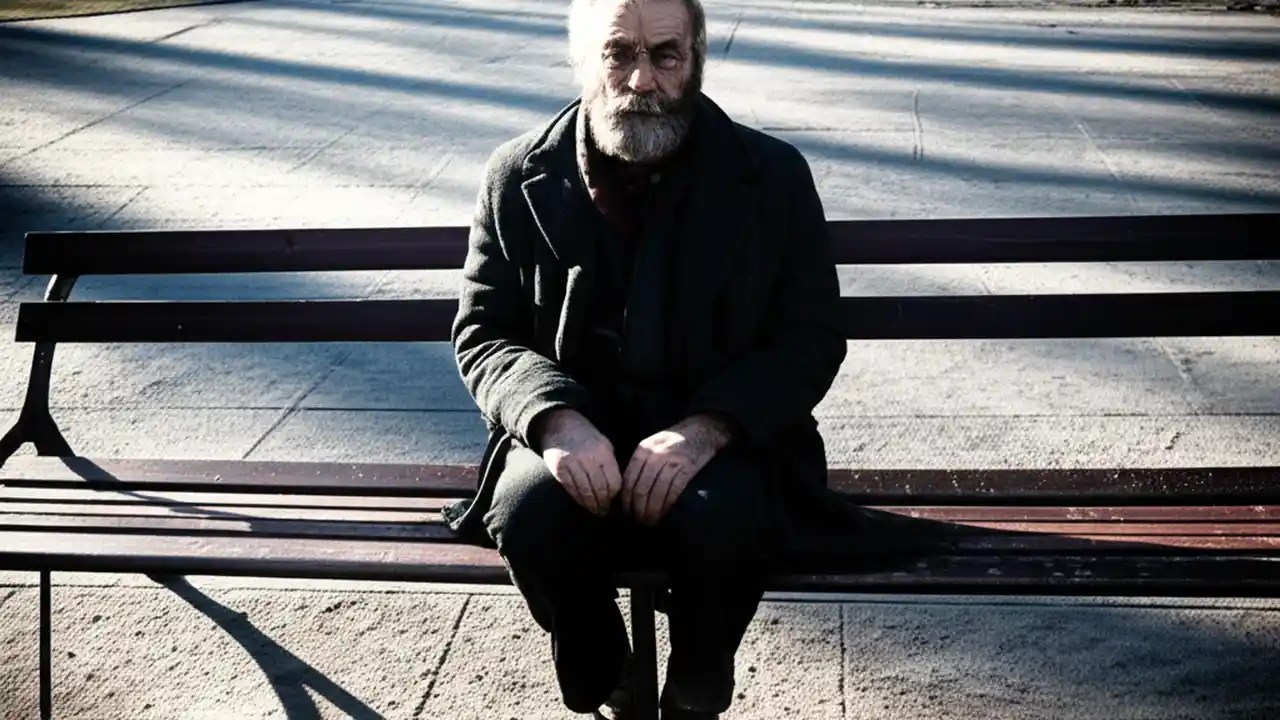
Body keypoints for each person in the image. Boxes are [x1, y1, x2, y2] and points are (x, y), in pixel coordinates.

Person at [445, 0, 850, 716]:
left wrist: (708, 428)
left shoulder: (774, 175)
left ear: (695, 60)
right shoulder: (516, 173)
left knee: (723, 515)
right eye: (618, 54)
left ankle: (696, 688)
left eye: (664, 55)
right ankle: (608, 678)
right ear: (584, 62)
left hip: (721, 438)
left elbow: (810, 336)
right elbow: (484, 331)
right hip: (575, 429)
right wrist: (554, 421)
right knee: (528, 508)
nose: (641, 80)